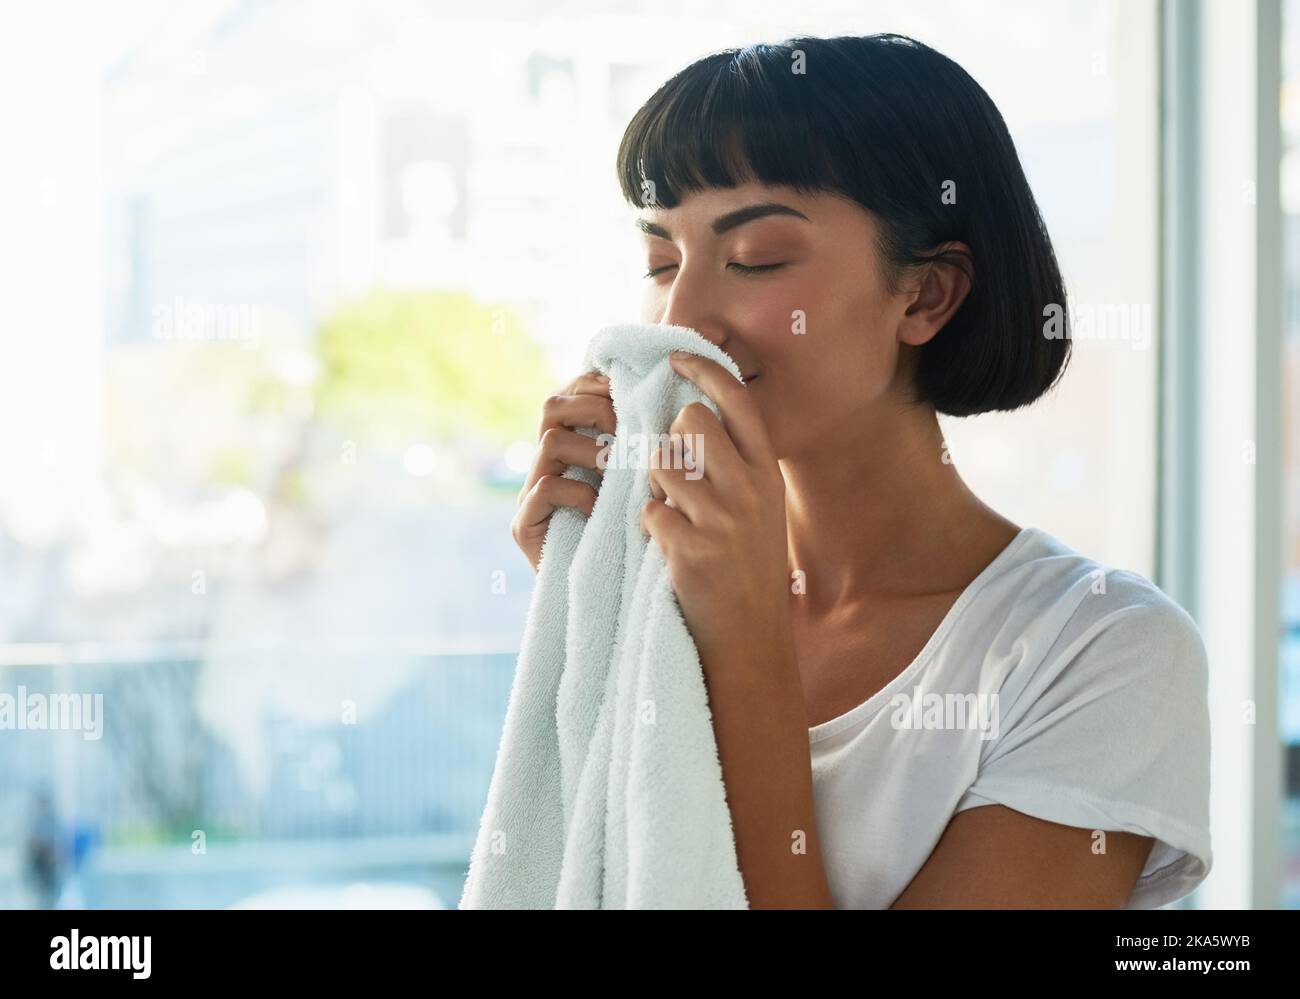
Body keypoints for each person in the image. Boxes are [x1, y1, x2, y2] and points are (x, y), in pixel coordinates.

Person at [511, 33, 1212, 909]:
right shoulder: (659, 597)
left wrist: (747, 637)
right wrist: (592, 604)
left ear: (926, 294)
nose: (682, 315)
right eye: (660, 262)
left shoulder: (1100, 652)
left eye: (754, 259)